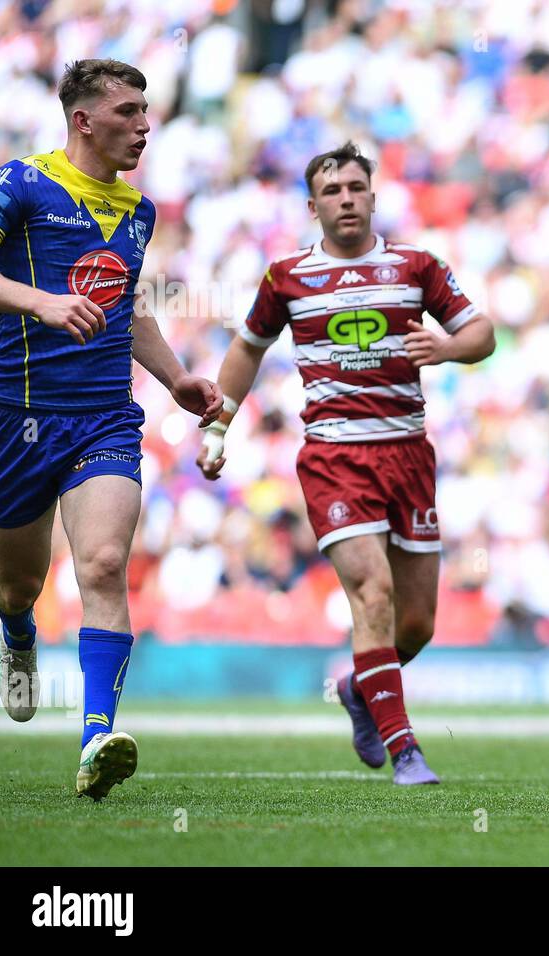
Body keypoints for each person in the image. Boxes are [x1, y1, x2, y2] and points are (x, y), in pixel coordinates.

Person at [197, 142, 495, 786]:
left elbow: (482, 334)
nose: (347, 199)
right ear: (313, 206)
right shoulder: (286, 277)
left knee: (416, 624)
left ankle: (360, 688)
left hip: (408, 453)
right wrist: (219, 424)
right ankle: (406, 750)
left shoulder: (416, 266)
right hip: (335, 456)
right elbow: (247, 349)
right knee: (372, 592)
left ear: (373, 197)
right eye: (332, 191)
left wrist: (444, 348)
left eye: (356, 188)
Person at [0, 59, 223, 800]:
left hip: (105, 419)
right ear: (83, 120)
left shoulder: (138, 211)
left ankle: (96, 739)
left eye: (146, 112)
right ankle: (17, 631)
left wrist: (176, 378)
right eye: (128, 112)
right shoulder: (18, 184)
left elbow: (128, 307)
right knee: (20, 582)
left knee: (104, 562)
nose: (144, 126)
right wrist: (42, 303)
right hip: (17, 420)